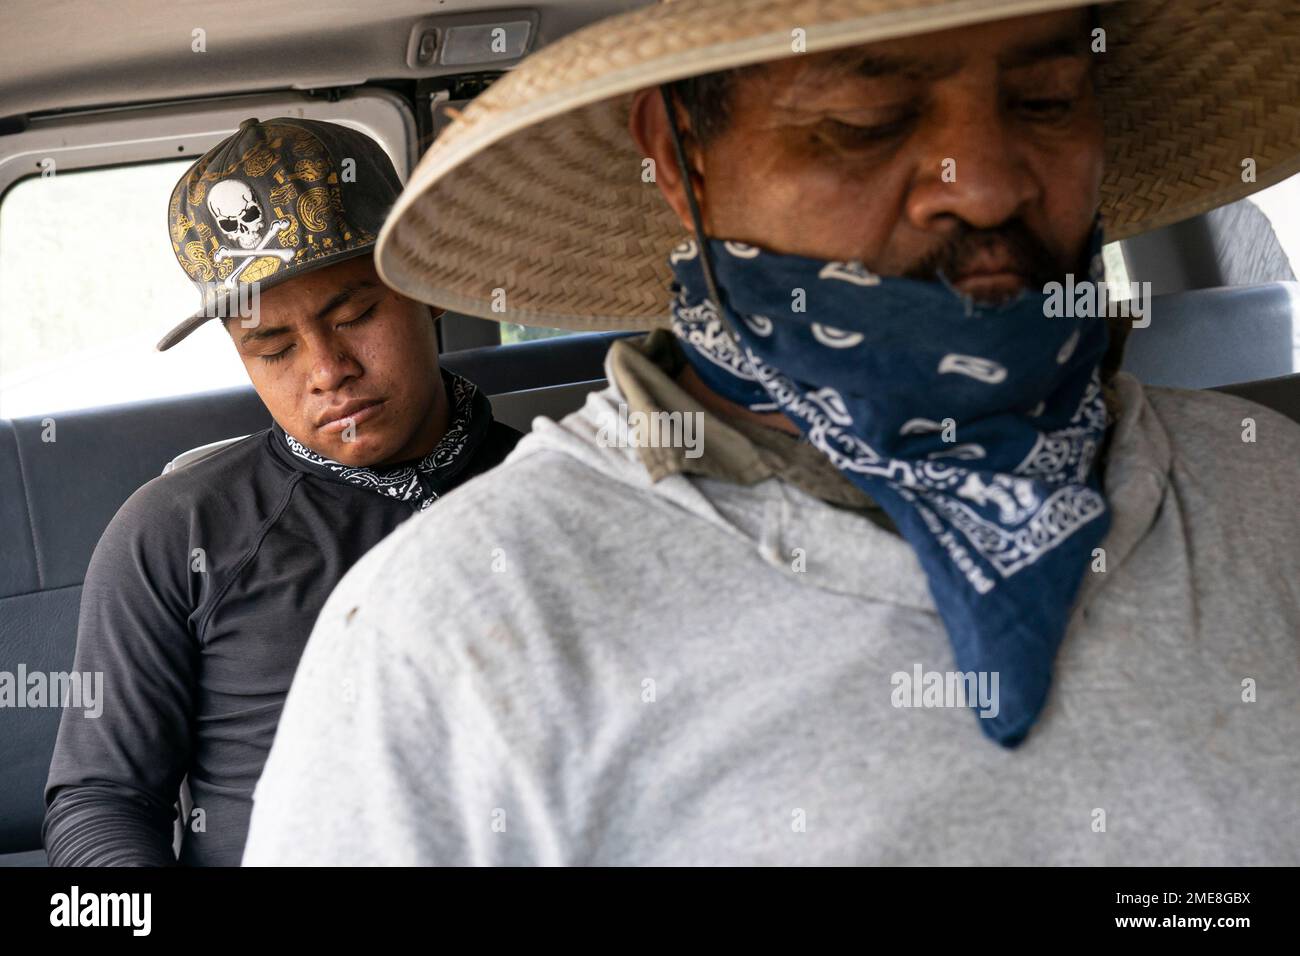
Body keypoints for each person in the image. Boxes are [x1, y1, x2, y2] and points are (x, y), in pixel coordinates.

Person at [244, 1, 1300, 865]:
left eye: (1044, 99)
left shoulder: (1268, 490)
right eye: (867, 121)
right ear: (679, 154)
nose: (983, 180)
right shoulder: (454, 630)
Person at [43, 117, 521, 866]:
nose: (327, 370)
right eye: (273, 348)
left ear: (427, 286)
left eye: (356, 315)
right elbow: (100, 803)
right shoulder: (177, 533)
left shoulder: (557, 497)